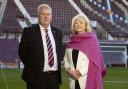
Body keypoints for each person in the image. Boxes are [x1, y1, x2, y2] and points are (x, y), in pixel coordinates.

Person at [18, 4, 62, 89]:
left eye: (48, 14)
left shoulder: (58, 32)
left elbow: (59, 52)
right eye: (43, 14)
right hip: (35, 77)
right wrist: (33, 67)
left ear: (51, 16)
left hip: (54, 78)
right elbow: (22, 52)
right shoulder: (29, 32)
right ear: (38, 16)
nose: (46, 17)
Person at [64, 13, 106, 89]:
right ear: (73, 26)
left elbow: (94, 61)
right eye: (76, 23)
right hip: (73, 80)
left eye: (81, 23)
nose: (78, 25)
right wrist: (69, 70)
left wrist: (80, 72)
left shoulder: (92, 39)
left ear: (86, 25)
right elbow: (66, 59)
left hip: (87, 80)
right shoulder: (71, 41)